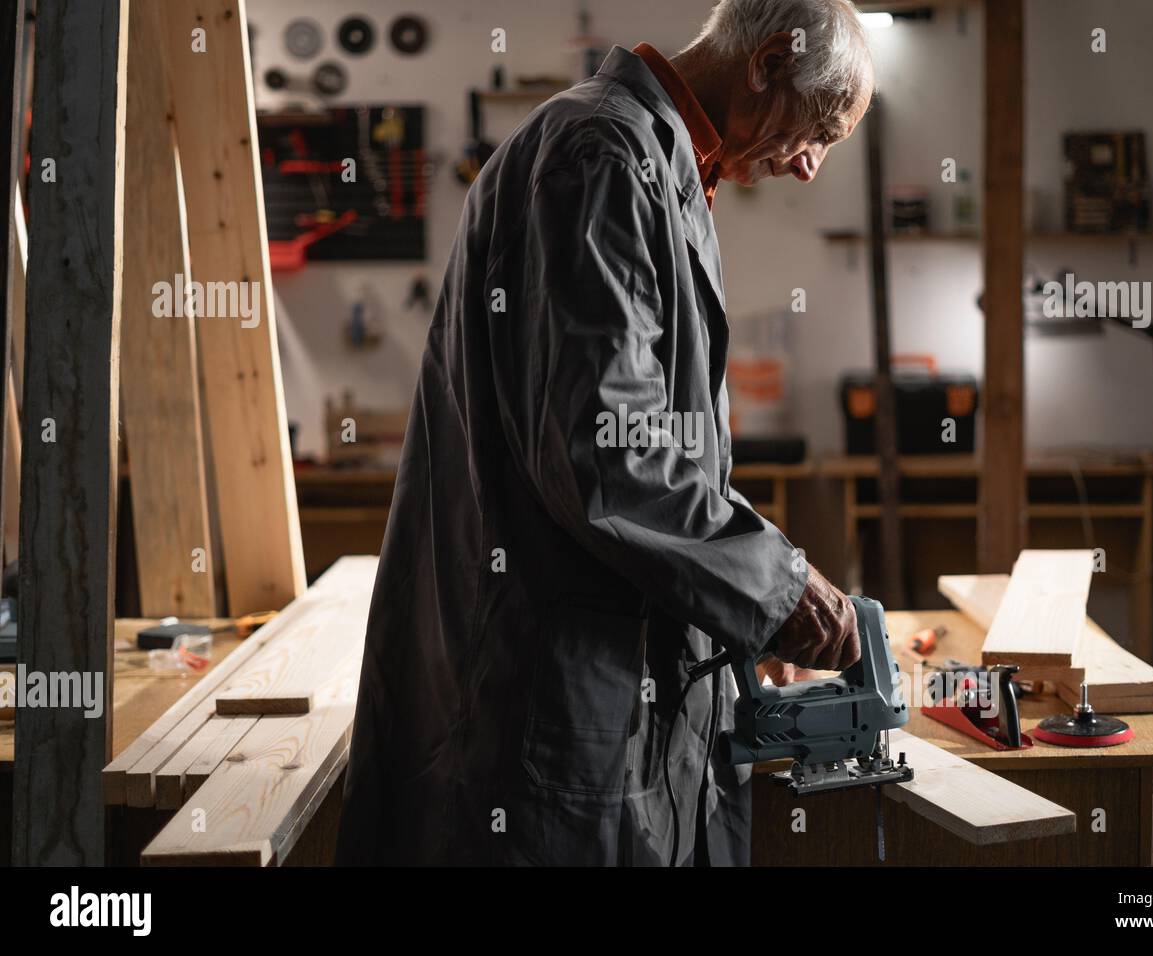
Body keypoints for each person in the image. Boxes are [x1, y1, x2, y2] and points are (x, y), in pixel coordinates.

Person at [336, 0, 875, 866]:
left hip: (605, 674)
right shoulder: (601, 156)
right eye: (819, 128)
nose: (811, 167)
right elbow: (612, 455)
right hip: (554, 689)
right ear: (769, 61)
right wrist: (778, 587)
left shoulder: (658, 163)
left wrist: (741, 607)